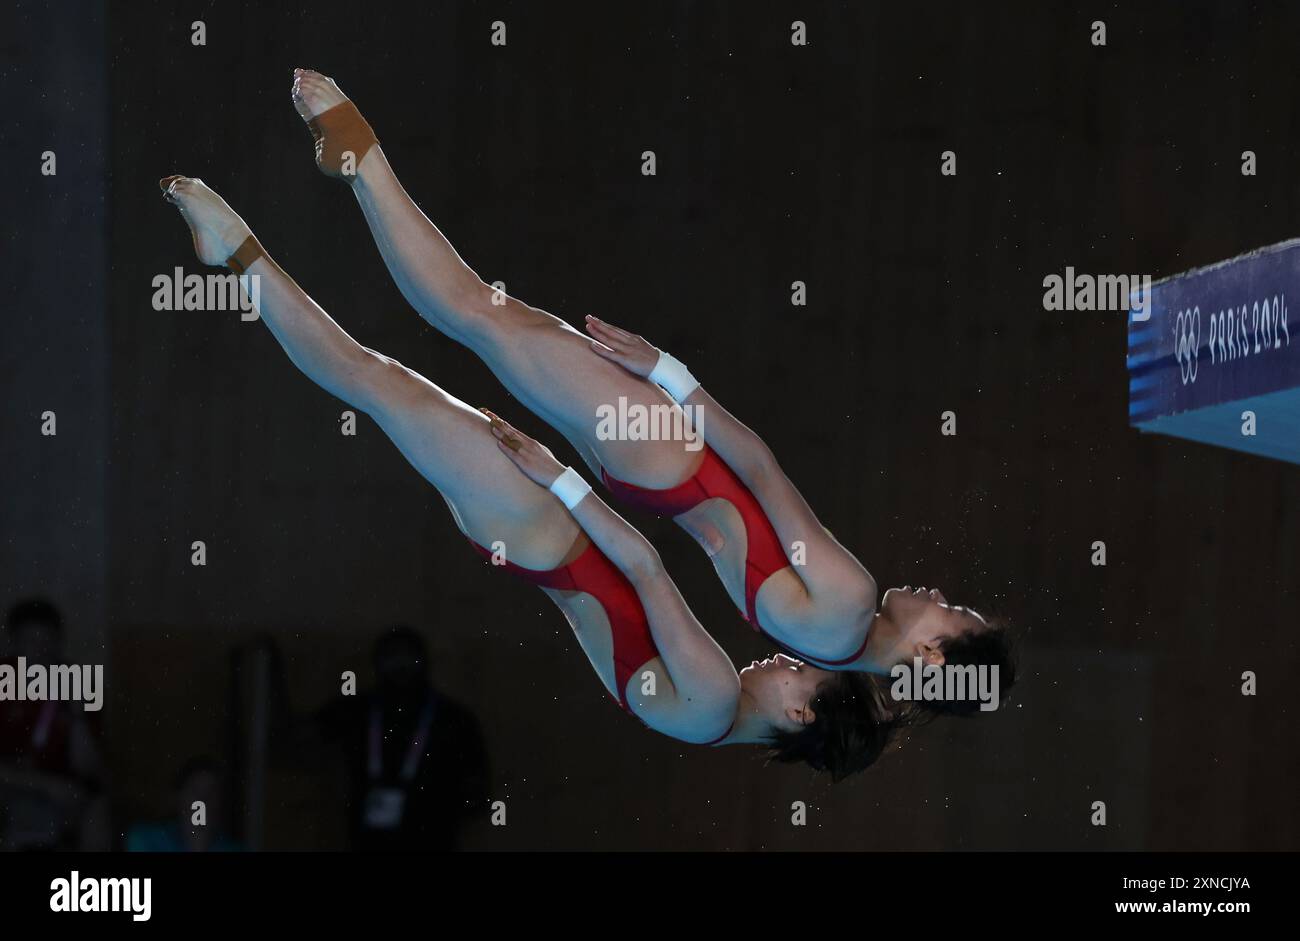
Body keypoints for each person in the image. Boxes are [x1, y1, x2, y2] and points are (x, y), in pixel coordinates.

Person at [285, 70, 1017, 715]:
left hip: (669, 450)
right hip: (650, 482)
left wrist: (671, 374)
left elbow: (759, 468)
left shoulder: (853, 599)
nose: (936, 594)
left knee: (484, 314)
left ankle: (363, 160)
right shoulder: (836, 661)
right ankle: (359, 169)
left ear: (933, 660)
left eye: (951, 614)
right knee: (480, 326)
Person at [161, 177, 901, 778]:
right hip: (529, 536)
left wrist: (561, 477)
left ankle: (239, 248)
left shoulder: (712, 701)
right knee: (387, 374)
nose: (785, 661)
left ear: (801, 713)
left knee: (378, 378)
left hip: (539, 519)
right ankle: (250, 240)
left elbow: (643, 567)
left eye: (800, 677)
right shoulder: (708, 721)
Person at [315, 626, 488, 851]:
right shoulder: (356, 711)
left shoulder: (453, 719)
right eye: (392, 659)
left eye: (408, 659)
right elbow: (301, 736)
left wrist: (437, 809)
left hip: (433, 842)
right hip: (367, 842)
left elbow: (477, 790)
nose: (400, 668)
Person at [0, 598, 109, 850]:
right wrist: (44, 785)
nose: (40, 652)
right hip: (11, 784)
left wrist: (78, 715)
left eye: (48, 642)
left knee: (97, 810)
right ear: (13, 644)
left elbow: (90, 770)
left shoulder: (80, 683)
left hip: (64, 790)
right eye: (31, 642)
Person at [125, 757, 244, 852]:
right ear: (178, 797)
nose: (202, 801)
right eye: (195, 792)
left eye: (211, 793)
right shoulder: (145, 839)